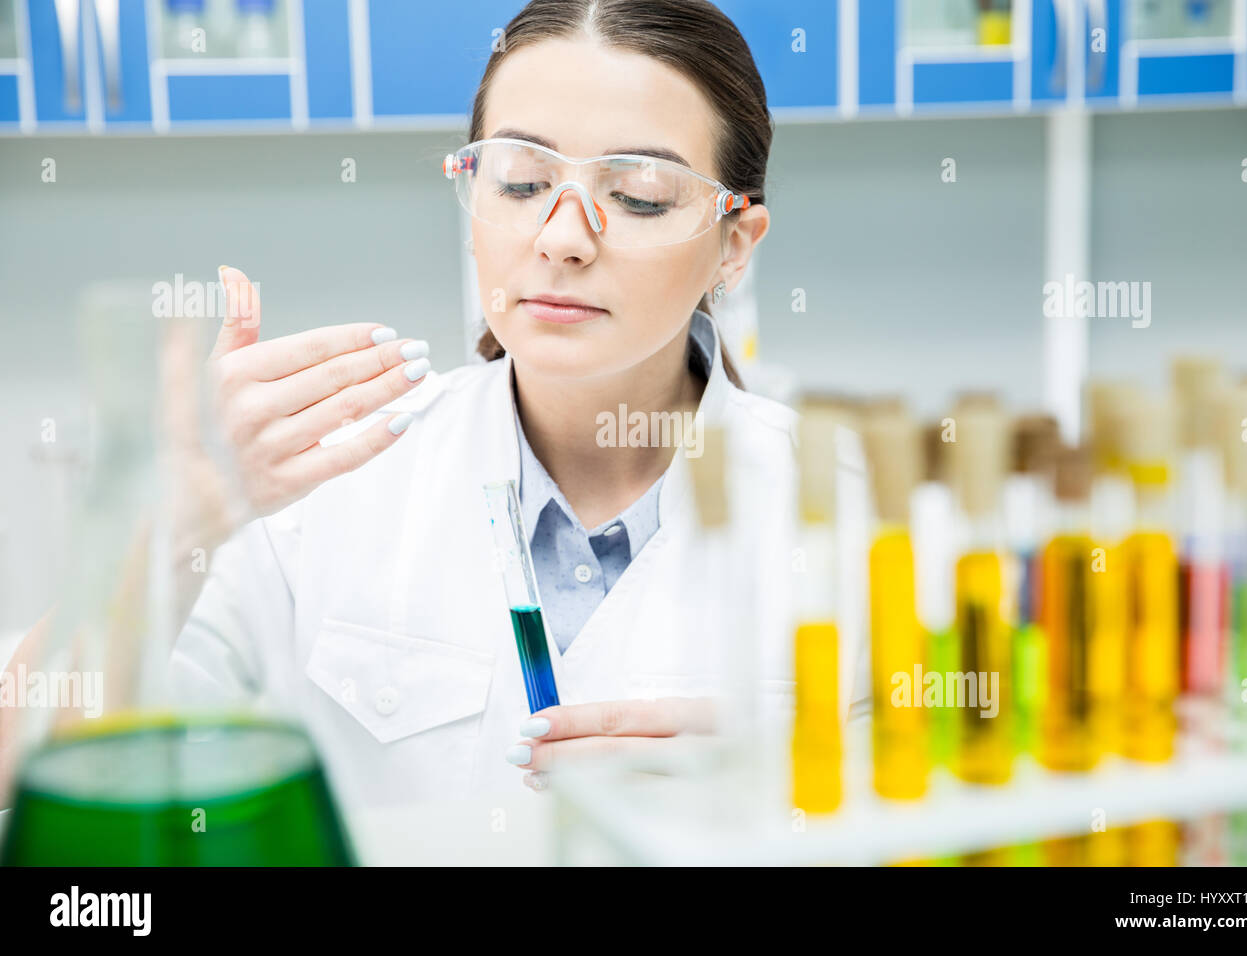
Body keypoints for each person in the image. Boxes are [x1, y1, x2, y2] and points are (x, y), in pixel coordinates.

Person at [7, 0, 866, 816]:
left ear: (735, 244)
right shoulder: (320, 486)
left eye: (639, 193)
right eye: (522, 182)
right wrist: (166, 532)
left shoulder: (857, 512)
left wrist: (794, 802)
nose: (562, 237)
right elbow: (30, 773)